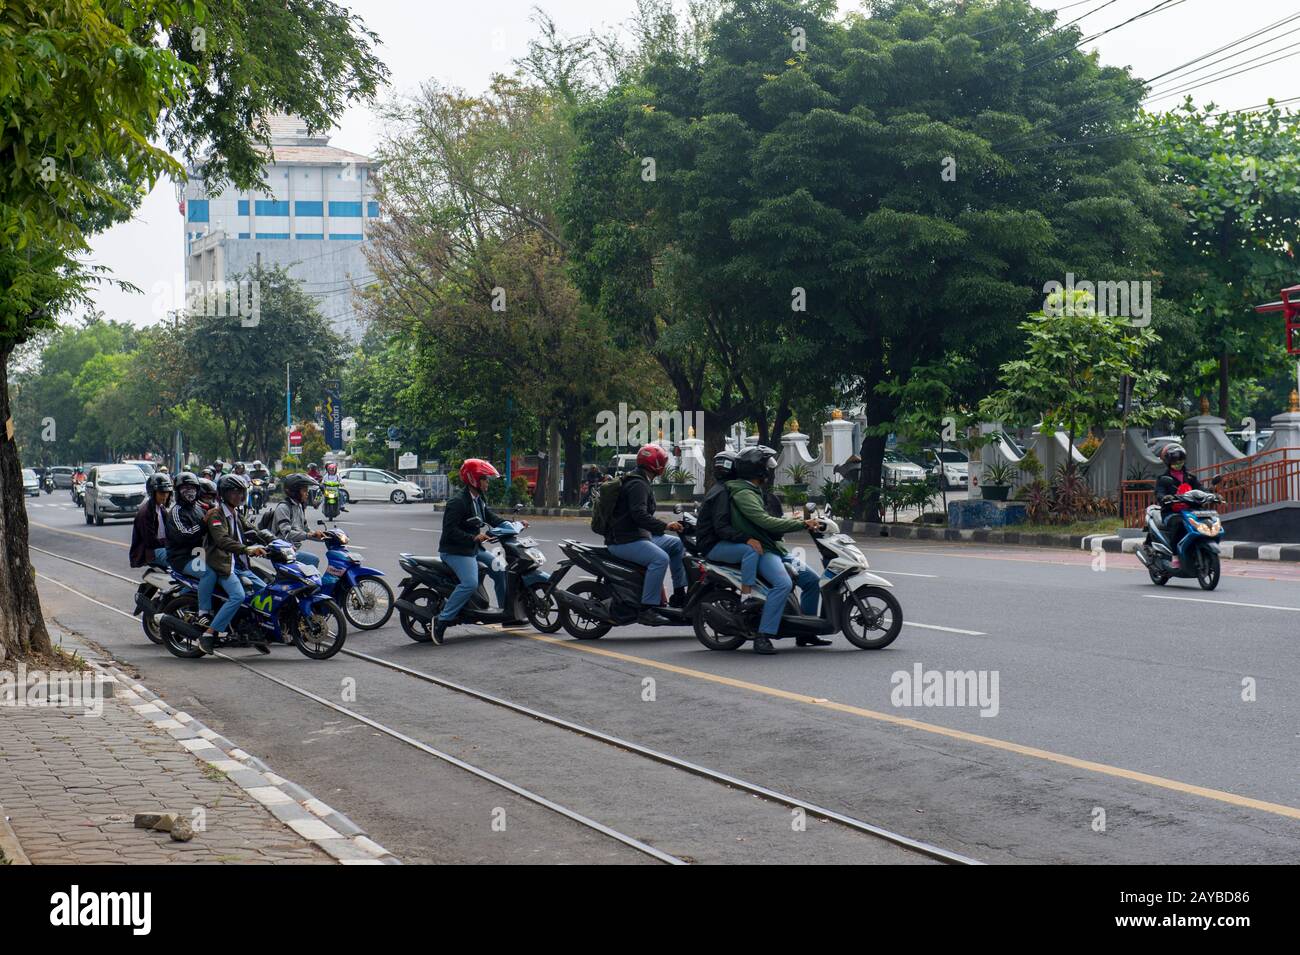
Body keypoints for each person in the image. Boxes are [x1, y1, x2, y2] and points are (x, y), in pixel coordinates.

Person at [727, 446, 822, 655]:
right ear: (757, 470)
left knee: (812, 581)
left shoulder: (755, 491)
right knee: (782, 584)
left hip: (776, 548)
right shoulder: (743, 493)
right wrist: (801, 524)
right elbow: (764, 521)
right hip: (764, 551)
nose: (769, 472)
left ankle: (805, 632)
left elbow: (771, 519)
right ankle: (763, 635)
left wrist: (794, 520)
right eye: (766, 467)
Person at [604, 444, 687, 626]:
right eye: (663, 463)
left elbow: (642, 516)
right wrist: (665, 525)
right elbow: (639, 515)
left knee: (677, 545)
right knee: (660, 559)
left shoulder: (641, 480)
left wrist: (665, 525)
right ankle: (647, 609)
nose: (664, 467)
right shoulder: (638, 484)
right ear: (655, 465)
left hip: (640, 535)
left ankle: (680, 594)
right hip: (625, 540)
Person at [433, 459, 514, 644]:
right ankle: (442, 620)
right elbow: (449, 531)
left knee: (500, 570)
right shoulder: (458, 502)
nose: (487, 483)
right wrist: (473, 538)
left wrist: (512, 525)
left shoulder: (478, 499)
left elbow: (491, 517)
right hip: (456, 551)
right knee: (470, 583)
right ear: (474, 479)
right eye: (485, 479)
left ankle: (504, 613)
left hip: (473, 549)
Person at [199, 473, 272, 654]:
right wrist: (248, 550)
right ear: (224, 494)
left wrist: (275, 542)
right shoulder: (216, 515)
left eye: (241, 492)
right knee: (238, 596)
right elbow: (222, 540)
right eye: (234, 492)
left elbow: (254, 530)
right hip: (222, 565)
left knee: (264, 592)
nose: (239, 496)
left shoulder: (236, 514)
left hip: (238, 564)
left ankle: (253, 630)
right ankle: (208, 634)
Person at [697, 450, 763, 595]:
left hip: (714, 540)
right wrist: (747, 539)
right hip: (712, 545)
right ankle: (746, 596)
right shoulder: (723, 492)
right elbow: (721, 527)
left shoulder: (722, 487)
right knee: (751, 551)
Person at [1153, 443, 1202, 569]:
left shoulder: (1190, 477)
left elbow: (1201, 489)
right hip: (1171, 512)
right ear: (1168, 462)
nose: (1178, 463)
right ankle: (1175, 554)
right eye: (1175, 461)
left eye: (1180, 460)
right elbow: (1159, 492)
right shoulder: (1163, 478)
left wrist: (1212, 494)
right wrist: (1165, 497)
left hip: (1190, 510)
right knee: (1179, 523)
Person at [272, 474, 325, 567]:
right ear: (295, 492)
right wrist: (308, 535)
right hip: (283, 552)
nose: (307, 493)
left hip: (293, 550)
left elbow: (306, 529)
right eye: (304, 491)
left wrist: (325, 537)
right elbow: (287, 534)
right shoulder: (283, 507)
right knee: (313, 560)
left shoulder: (299, 506)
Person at [129, 473, 173, 568]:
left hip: (162, 548)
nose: (165, 496)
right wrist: (170, 542)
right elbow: (151, 542)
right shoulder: (145, 513)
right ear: (153, 493)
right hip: (149, 552)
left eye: (167, 492)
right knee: (177, 559)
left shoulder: (162, 509)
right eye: (161, 493)